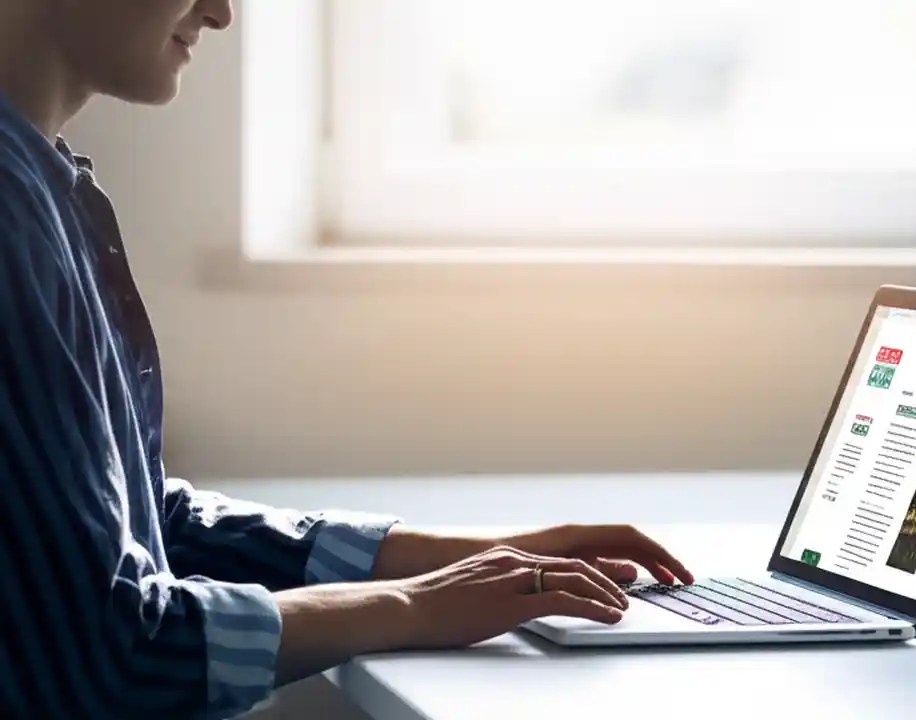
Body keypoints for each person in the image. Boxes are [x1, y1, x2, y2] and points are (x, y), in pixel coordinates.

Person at [0, 2, 695, 717]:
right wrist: (409, 605)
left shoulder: (39, 184)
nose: (221, 12)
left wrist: (457, 558)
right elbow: (116, 653)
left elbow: (144, 525)